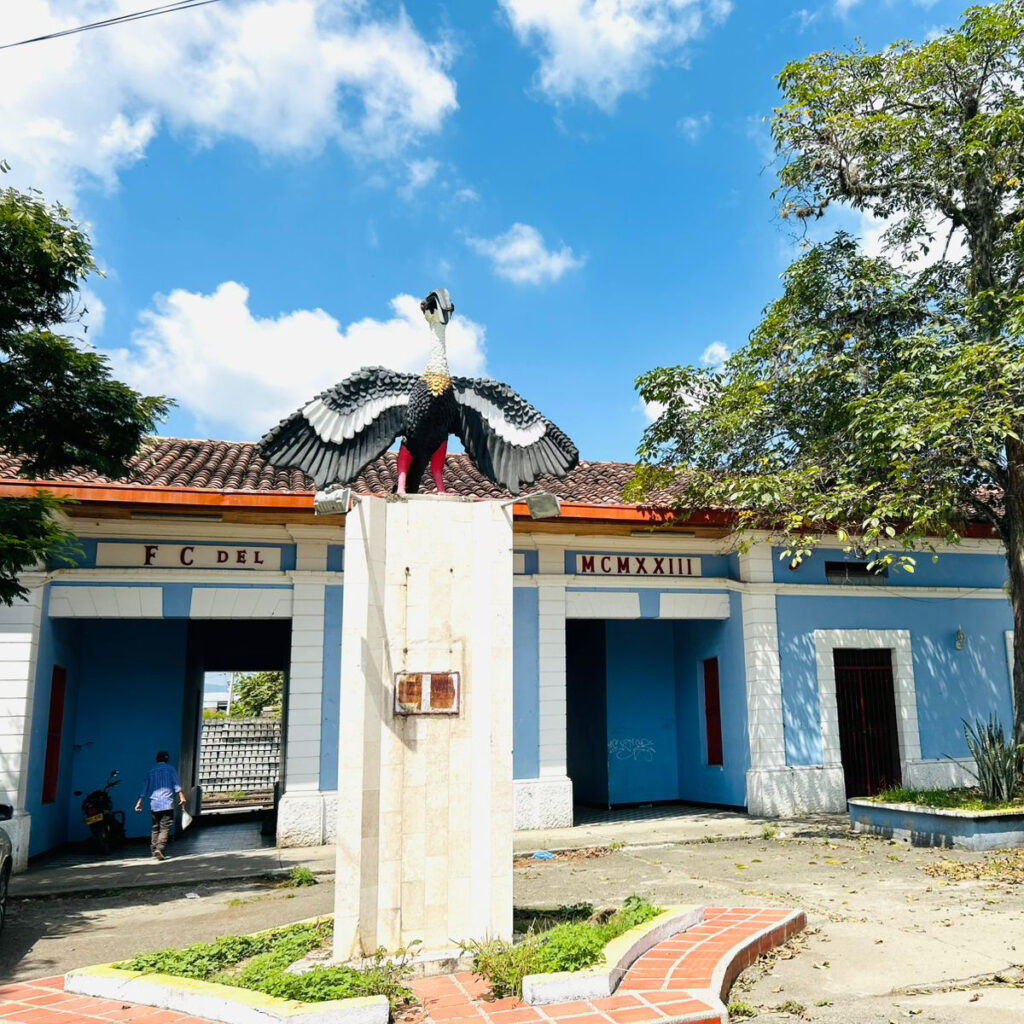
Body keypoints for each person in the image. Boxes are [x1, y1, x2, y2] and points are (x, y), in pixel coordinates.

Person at [135, 750, 187, 860]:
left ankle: (154, 851)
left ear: (157, 759)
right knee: (164, 828)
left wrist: (139, 802)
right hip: (167, 803)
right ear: (167, 759)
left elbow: (144, 788)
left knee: (155, 828)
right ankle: (160, 848)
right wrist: (182, 796)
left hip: (154, 804)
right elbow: (176, 784)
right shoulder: (170, 769)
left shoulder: (151, 771)